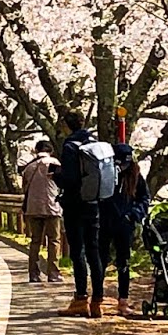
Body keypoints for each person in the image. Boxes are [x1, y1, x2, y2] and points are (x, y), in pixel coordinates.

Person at [96, 142, 150, 316]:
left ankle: (123, 300)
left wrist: (133, 214)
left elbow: (144, 198)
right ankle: (97, 298)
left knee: (124, 262)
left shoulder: (135, 176)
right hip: (104, 222)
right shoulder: (105, 173)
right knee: (100, 261)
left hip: (125, 224)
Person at [55, 111, 101, 318]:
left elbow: (70, 179)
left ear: (66, 124)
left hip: (75, 204)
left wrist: (57, 175)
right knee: (94, 251)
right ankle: (98, 301)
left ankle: (81, 298)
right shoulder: (95, 143)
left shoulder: (70, 146)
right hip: (95, 203)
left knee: (78, 251)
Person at [18, 139, 64, 284]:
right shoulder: (54, 163)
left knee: (35, 241)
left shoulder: (29, 167)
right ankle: (53, 273)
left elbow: (24, 186)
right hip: (52, 206)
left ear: (36, 151)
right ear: (50, 150)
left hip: (33, 207)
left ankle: (33, 273)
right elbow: (61, 182)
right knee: (54, 240)